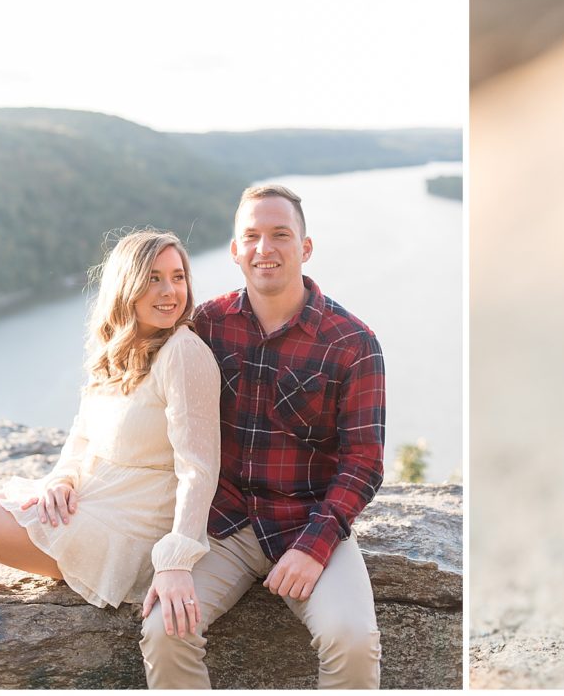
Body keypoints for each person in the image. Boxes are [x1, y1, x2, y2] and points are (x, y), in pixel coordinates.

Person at [140, 184, 386, 689]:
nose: (264, 248)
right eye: (251, 236)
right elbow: (132, 392)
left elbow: (363, 463)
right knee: (165, 631)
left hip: (307, 521)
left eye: (280, 235)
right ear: (235, 250)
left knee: (353, 639)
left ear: (305, 247)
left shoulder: (353, 342)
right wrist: (71, 475)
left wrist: (314, 547)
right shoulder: (206, 325)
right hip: (221, 526)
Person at [0, 230, 221, 634]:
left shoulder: (183, 353)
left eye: (178, 277)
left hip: (127, 526)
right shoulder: (121, 349)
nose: (169, 291)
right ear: (125, 285)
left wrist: (177, 559)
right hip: (92, 499)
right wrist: (62, 479)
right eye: (153, 278)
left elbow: (198, 469)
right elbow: (83, 431)